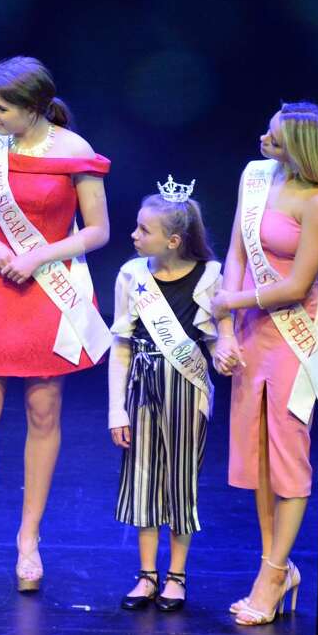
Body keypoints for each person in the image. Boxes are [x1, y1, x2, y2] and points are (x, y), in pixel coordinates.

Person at [0, 56, 111, 600]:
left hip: (48, 289)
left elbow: (98, 230)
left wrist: (41, 253)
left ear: (35, 108)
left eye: (2, 108)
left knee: (43, 412)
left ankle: (27, 539)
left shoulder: (75, 151)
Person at [211, 102, 318, 626]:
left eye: (273, 137)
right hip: (251, 333)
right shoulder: (255, 179)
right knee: (260, 462)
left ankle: (271, 576)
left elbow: (296, 286)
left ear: (300, 147)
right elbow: (235, 255)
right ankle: (277, 563)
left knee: (288, 462)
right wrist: (225, 326)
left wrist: (232, 303)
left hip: (294, 341)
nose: (263, 141)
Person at [107, 182, 221, 611]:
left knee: (180, 482)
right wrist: (116, 409)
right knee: (143, 481)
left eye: (143, 231)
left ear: (173, 241)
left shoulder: (210, 276)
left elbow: (214, 336)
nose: (133, 236)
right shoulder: (131, 275)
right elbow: (120, 344)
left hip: (186, 393)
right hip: (142, 387)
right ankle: (147, 574)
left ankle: (177, 575)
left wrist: (224, 350)